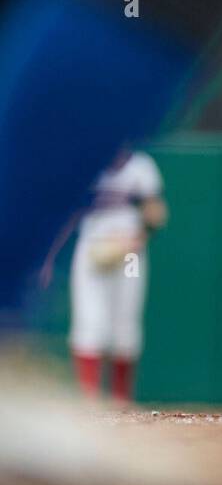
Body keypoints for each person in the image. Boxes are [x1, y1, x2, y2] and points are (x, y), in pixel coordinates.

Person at [68, 149, 168, 403]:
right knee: (89, 321)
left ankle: (121, 400)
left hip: (130, 252)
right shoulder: (85, 160)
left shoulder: (141, 166)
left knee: (125, 323)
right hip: (92, 248)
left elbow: (157, 211)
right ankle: (88, 399)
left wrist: (139, 236)